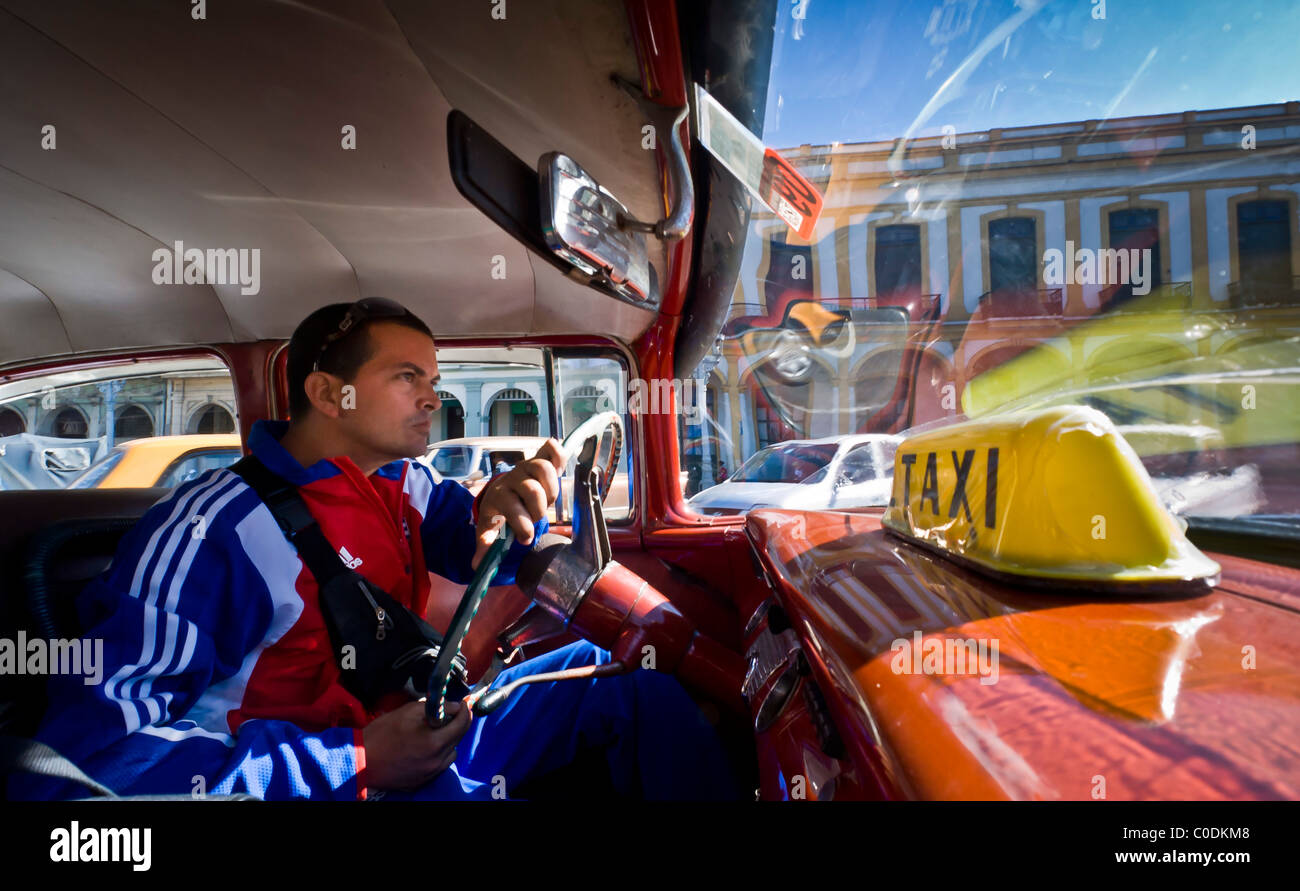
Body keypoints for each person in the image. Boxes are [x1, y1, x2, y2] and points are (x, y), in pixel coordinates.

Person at [11, 299, 739, 801]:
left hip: (419, 739)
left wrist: (509, 510)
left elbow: (479, 533)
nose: (433, 399)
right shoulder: (211, 533)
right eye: (407, 378)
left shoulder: (404, 486)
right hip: (336, 777)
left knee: (619, 674)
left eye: (435, 380)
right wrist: (354, 761)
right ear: (330, 394)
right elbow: (88, 769)